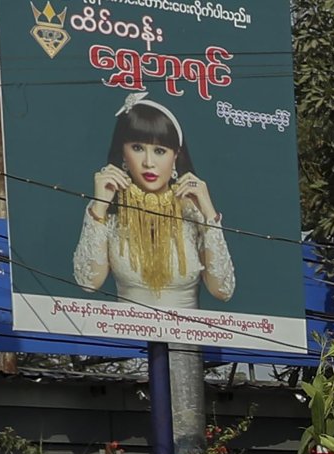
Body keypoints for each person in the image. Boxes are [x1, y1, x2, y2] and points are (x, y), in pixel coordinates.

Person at [73, 94, 234, 311]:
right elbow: (87, 282)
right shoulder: (110, 213)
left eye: (159, 151)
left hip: (185, 341)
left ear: (175, 156)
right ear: (123, 152)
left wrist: (209, 215)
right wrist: (98, 207)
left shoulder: (192, 211)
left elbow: (223, 289)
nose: (148, 163)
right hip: (129, 337)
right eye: (138, 148)